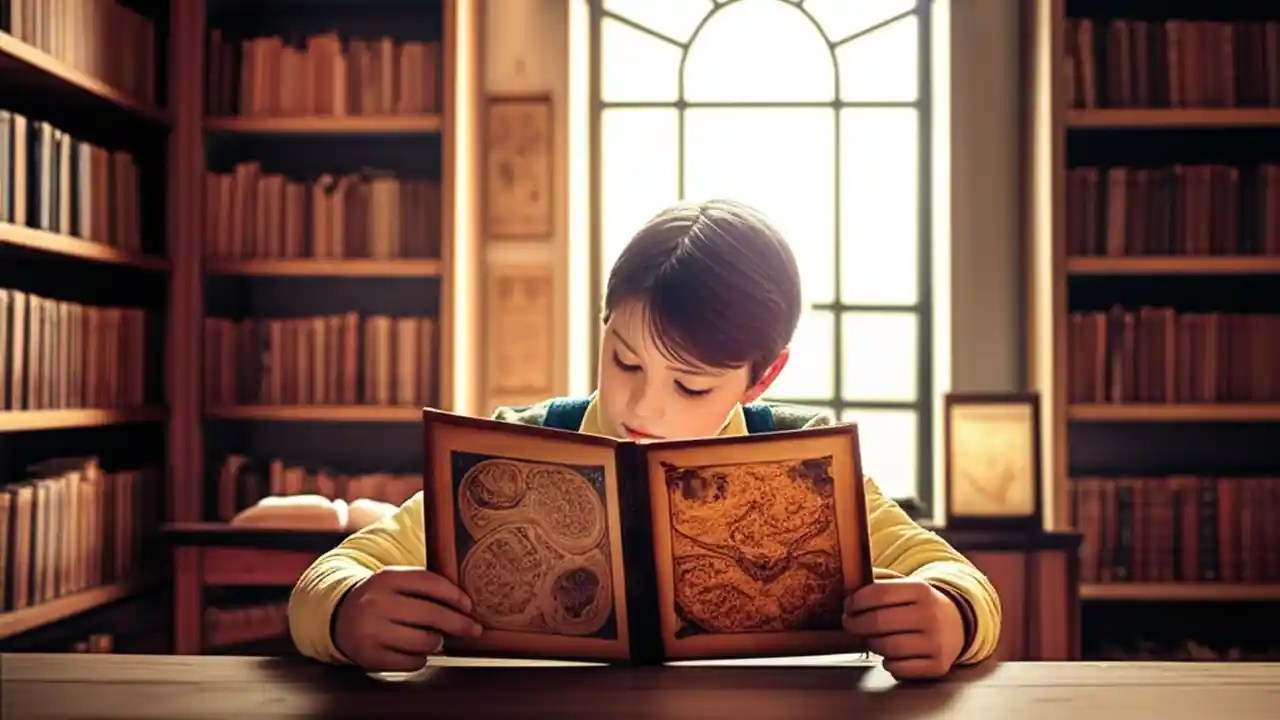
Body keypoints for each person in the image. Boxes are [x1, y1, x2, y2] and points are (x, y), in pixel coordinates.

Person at [287, 199, 1001, 681]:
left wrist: (950, 615)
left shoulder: (805, 461)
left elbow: (967, 585)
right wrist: (348, 612)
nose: (642, 405)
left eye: (691, 386)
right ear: (603, 320)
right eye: (625, 360)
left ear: (762, 376)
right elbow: (327, 580)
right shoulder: (516, 445)